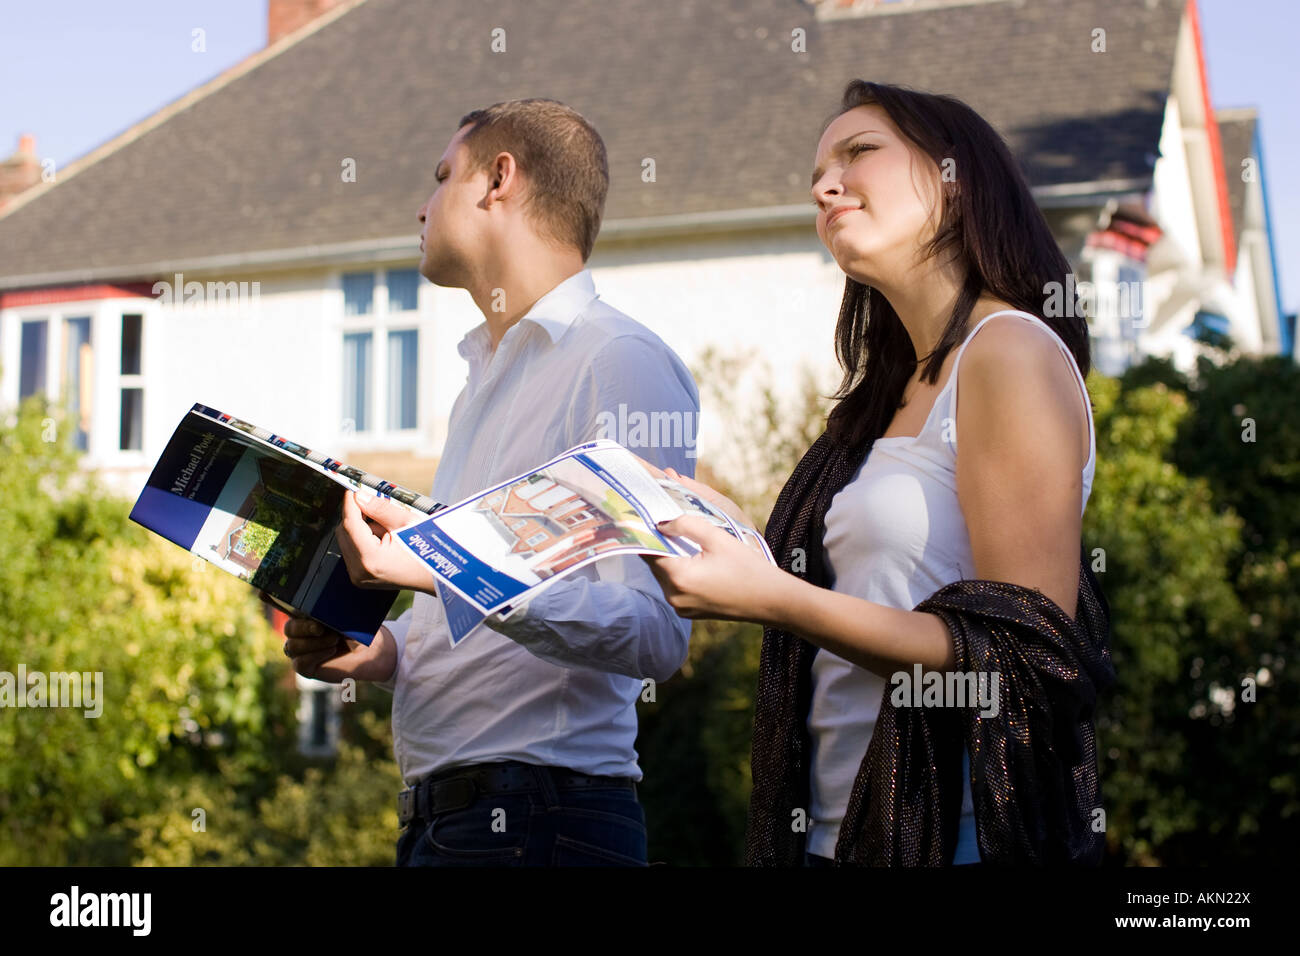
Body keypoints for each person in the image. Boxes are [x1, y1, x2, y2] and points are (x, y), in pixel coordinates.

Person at [640, 80, 1112, 866]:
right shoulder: (881, 401)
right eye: (818, 174)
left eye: (858, 153)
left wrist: (778, 601)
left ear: (959, 184)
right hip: (836, 836)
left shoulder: (1009, 353)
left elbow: (1028, 657)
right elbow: (877, 595)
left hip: (958, 841)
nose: (825, 187)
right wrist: (741, 544)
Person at [280, 98, 699, 867]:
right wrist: (377, 653)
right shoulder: (478, 384)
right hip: (452, 820)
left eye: (443, 177)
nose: (422, 204)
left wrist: (443, 561)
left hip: (545, 819)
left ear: (498, 180)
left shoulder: (619, 361)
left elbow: (657, 631)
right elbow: (476, 624)